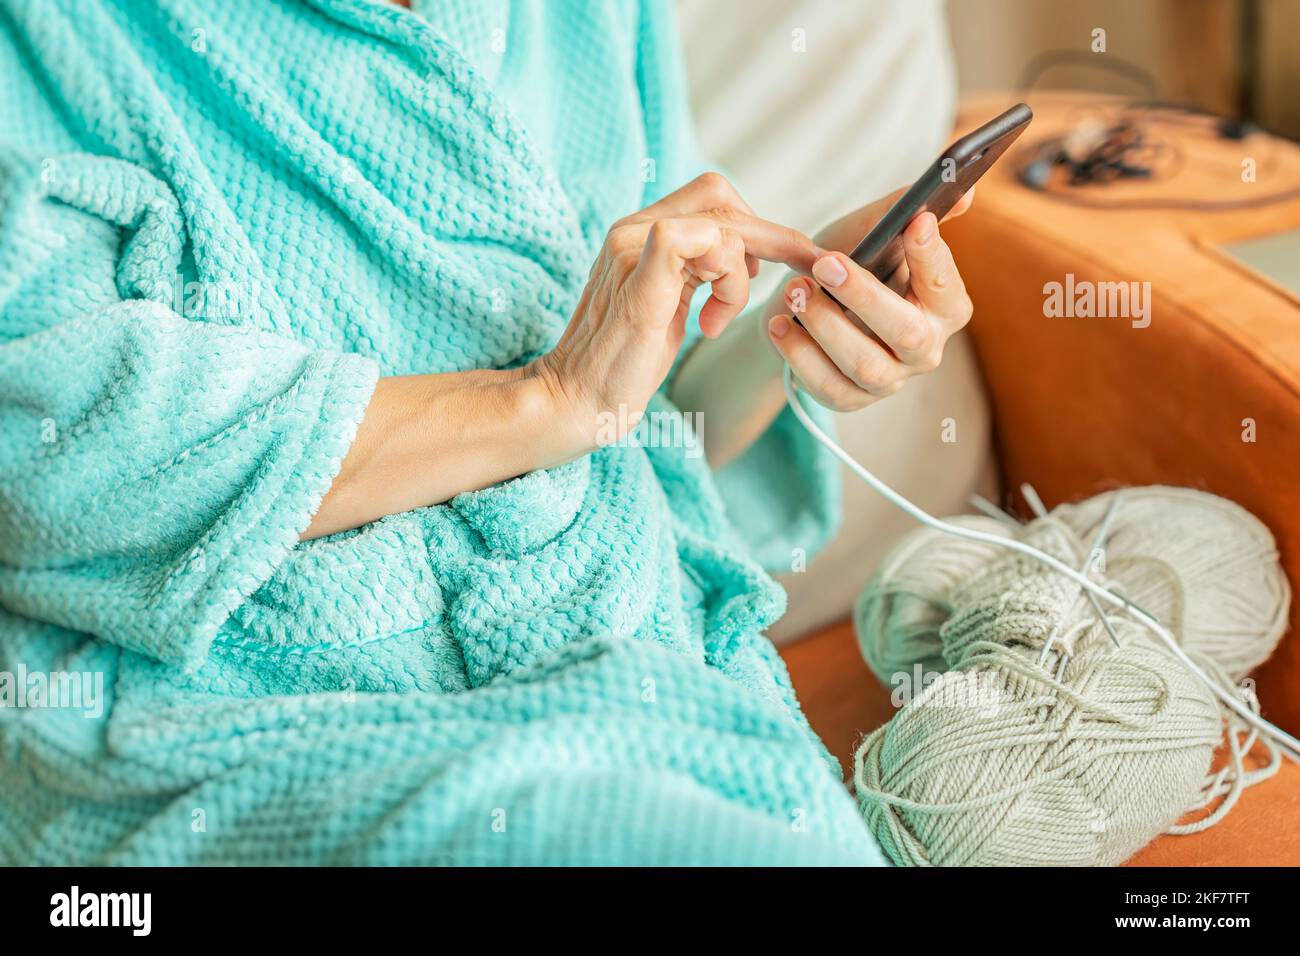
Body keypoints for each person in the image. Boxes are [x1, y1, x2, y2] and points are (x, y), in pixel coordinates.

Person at [0, 0, 969, 865]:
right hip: (230, 711)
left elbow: (638, 417)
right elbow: (48, 463)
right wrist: (541, 398)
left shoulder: (585, 18)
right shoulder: (56, 31)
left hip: (636, 660)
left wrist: (797, 323)